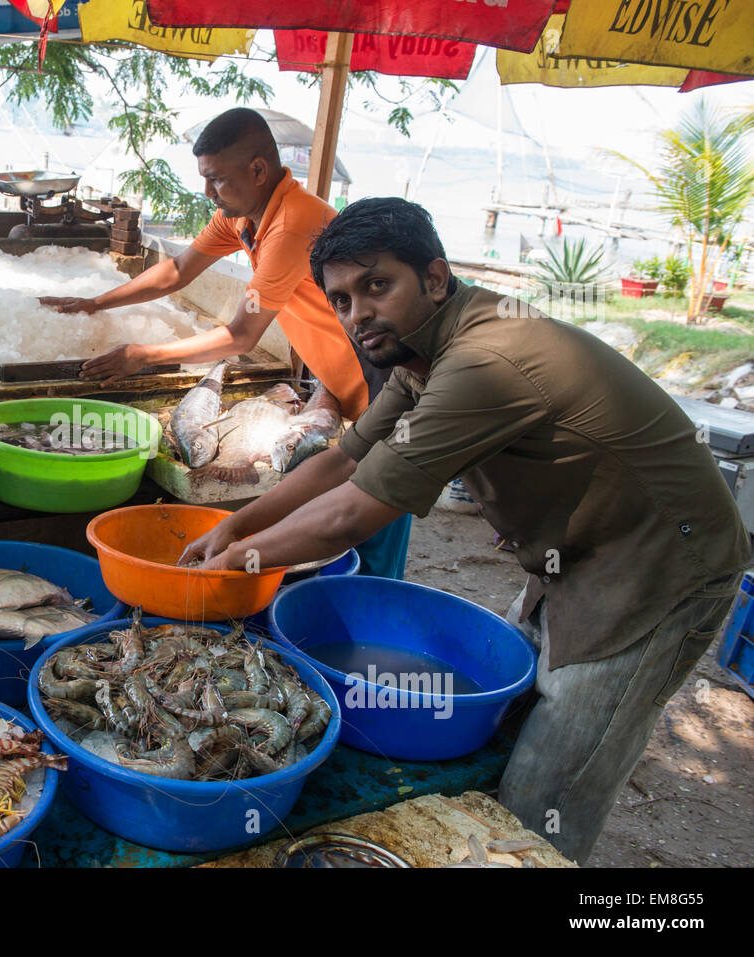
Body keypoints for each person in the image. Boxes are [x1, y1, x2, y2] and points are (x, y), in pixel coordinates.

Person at [183, 196, 751, 863]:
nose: (358, 313)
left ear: (434, 276)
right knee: (508, 718)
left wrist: (234, 562)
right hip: (572, 554)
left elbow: (353, 512)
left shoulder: (483, 359)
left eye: (376, 285)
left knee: (547, 785)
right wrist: (235, 527)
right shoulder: (417, 350)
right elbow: (343, 458)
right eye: (340, 299)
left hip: (659, 564)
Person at [38, 107, 410, 578]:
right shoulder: (242, 216)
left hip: (379, 377)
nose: (207, 191)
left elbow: (241, 334)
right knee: (336, 509)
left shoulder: (292, 223)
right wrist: (95, 302)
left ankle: (369, 605)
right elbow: (177, 271)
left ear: (257, 170)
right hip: (337, 378)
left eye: (216, 179)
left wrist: (141, 356)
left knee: (373, 516)